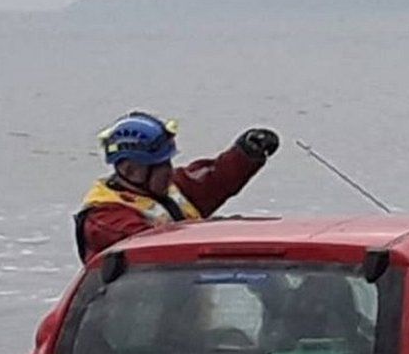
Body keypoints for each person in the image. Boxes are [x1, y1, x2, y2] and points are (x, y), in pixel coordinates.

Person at [75, 111, 279, 262]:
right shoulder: (106, 219)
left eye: (168, 162)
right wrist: (220, 230)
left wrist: (245, 154)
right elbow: (161, 248)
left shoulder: (167, 189)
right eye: (160, 165)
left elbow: (212, 181)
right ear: (130, 170)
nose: (169, 171)